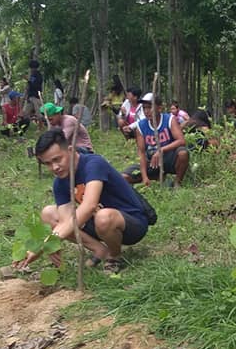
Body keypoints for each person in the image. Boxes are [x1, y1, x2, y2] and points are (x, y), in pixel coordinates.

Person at [17, 129, 150, 272]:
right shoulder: (60, 182)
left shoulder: (93, 164)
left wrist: (46, 244)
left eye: (57, 159)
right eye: (48, 163)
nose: (54, 167)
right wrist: (48, 244)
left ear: (70, 149)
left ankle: (114, 256)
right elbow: (64, 221)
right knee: (48, 213)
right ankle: (100, 250)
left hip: (130, 223)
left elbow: (89, 206)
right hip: (97, 222)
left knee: (103, 217)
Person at [122, 93, 189, 186]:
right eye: (144, 108)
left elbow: (181, 140)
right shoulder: (140, 126)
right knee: (123, 177)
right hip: (151, 162)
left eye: (149, 107)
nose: (146, 111)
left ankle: (177, 182)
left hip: (169, 158)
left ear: (159, 108)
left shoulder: (169, 119)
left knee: (183, 153)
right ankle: (154, 177)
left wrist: (161, 150)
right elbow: (141, 153)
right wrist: (145, 177)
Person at [23, 59, 44, 124]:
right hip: (31, 97)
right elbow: (30, 86)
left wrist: (28, 80)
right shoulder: (32, 75)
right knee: (25, 113)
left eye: (32, 68)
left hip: (35, 96)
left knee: (38, 113)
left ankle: (41, 126)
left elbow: (36, 86)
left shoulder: (38, 75)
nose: (31, 69)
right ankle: (23, 126)